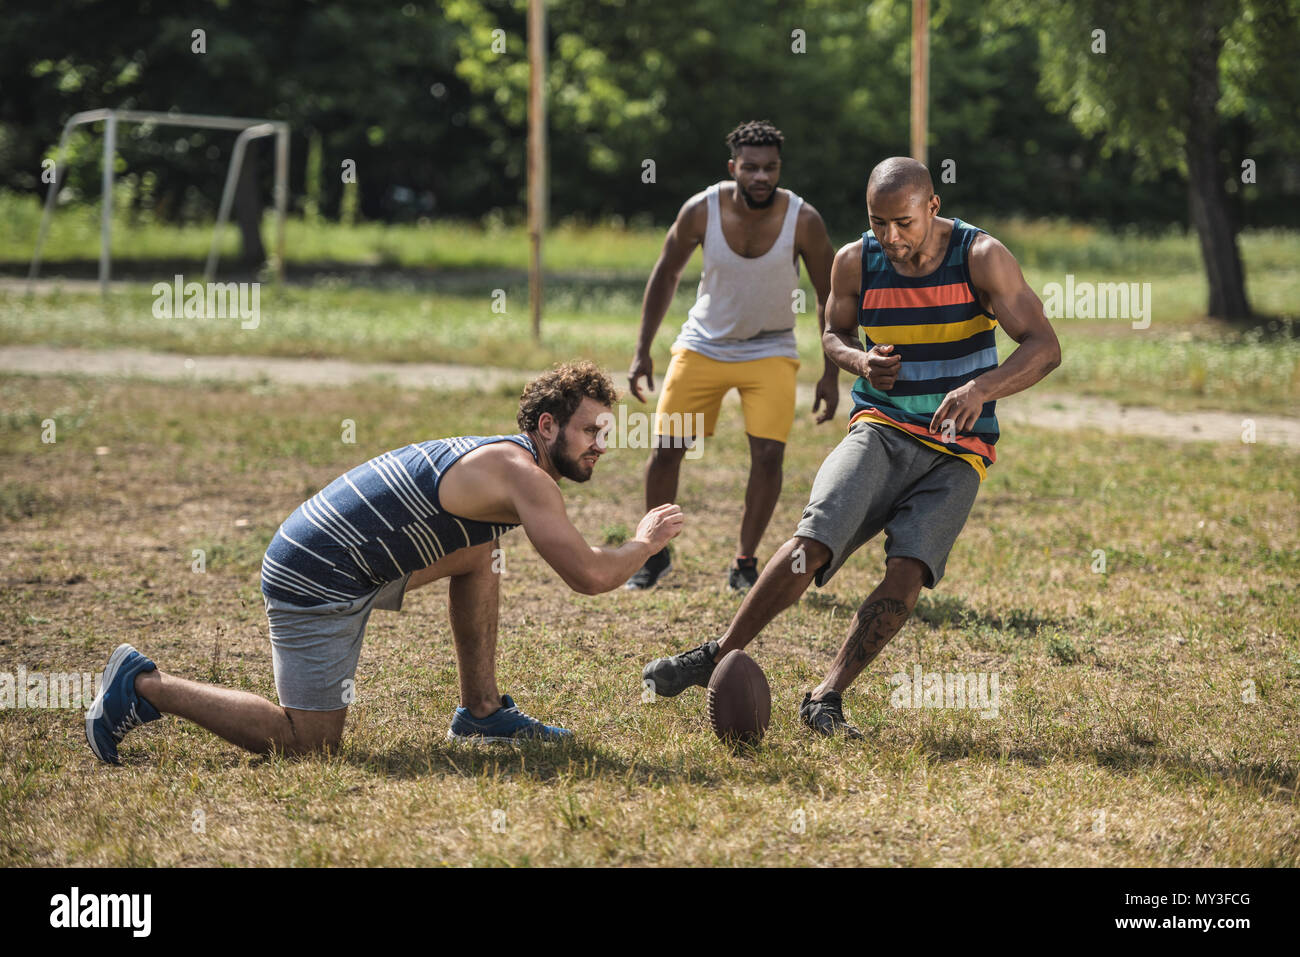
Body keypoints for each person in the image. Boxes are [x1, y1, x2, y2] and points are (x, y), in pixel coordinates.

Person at [642, 157, 1062, 736]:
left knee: (910, 569)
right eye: (878, 222)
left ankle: (826, 696)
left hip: (959, 450)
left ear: (933, 207)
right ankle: (719, 652)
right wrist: (859, 360)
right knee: (813, 540)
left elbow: (1044, 345)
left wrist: (980, 388)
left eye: (905, 223)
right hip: (880, 428)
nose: (891, 237)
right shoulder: (854, 261)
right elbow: (833, 333)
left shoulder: (981, 256)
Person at [86, 362, 684, 763]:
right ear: (547, 425)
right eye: (589, 431)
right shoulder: (524, 477)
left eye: (605, 432)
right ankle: (142, 684)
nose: (601, 445)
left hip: (340, 555)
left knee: (481, 551)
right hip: (316, 576)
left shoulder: (505, 460)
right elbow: (589, 576)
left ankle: (481, 712)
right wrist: (645, 542)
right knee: (310, 744)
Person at [625, 119, 840, 593]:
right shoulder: (701, 210)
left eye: (771, 168)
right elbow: (665, 275)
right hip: (703, 343)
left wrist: (831, 371)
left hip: (771, 347)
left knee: (767, 456)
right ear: (733, 168)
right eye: (751, 168)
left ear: (779, 168)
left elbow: (829, 294)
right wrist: (642, 350)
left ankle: (745, 563)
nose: (761, 177)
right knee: (666, 450)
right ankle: (653, 554)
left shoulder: (803, 219)